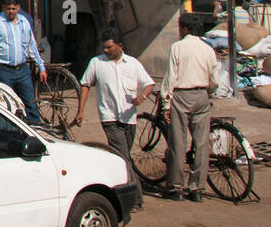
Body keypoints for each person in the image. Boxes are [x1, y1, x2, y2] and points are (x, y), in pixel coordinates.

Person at [74, 27, 154, 185]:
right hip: (109, 117)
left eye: (109, 47)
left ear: (120, 46)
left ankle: (120, 186)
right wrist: (80, 110)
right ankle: (136, 195)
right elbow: (85, 84)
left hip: (129, 118)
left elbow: (149, 84)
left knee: (123, 156)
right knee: (123, 157)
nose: (106, 50)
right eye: (104, 47)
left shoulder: (133, 63)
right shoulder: (96, 63)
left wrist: (142, 97)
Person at [160, 13, 219, 202]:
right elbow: (215, 80)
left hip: (182, 95)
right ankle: (197, 189)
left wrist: (165, 102)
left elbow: (171, 77)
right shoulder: (208, 49)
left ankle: (176, 187)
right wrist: (207, 92)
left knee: (178, 142)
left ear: (184, 29)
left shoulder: (177, 47)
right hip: (202, 95)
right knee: (201, 144)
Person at [0, 0, 47, 124]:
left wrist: (41, 66)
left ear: (18, 8)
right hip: (4, 71)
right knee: (7, 106)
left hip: (23, 70)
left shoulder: (23, 22)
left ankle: (36, 131)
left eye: (13, 9)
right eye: (8, 9)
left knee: (30, 104)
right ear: (3, 8)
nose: (11, 12)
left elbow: (32, 46)